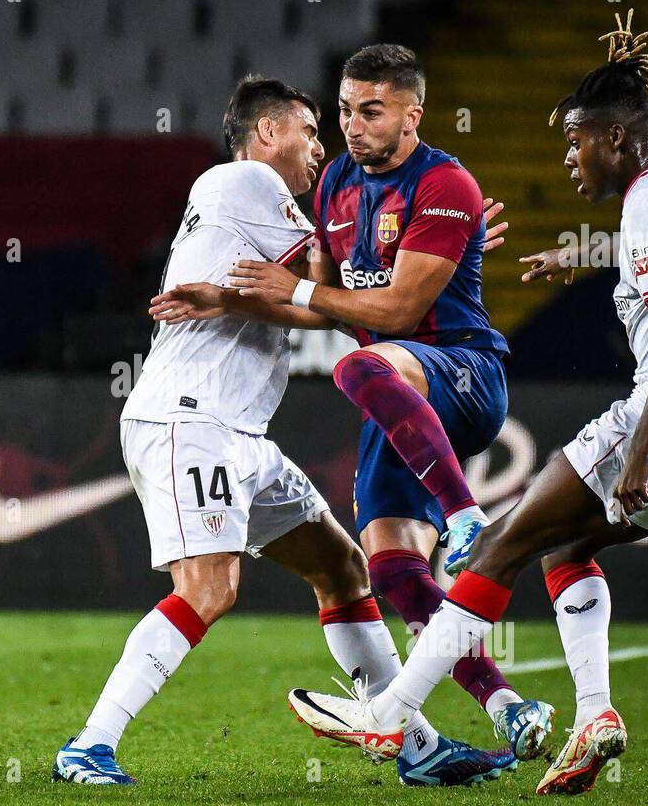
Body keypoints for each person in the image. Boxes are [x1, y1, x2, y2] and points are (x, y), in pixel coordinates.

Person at [291, 12, 648, 796]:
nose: (569, 156)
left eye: (578, 141)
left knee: (495, 550)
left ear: (616, 138)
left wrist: (640, 453)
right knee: (563, 548)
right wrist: (579, 252)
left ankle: (392, 710)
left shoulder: (642, 205)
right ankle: (596, 715)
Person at [53, 76, 518, 787]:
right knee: (210, 588)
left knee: (341, 568)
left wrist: (434, 246)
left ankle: (416, 746)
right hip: (190, 419)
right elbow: (346, 283)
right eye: (310, 130)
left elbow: (332, 294)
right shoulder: (239, 179)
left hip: (238, 434)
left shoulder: (250, 204)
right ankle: (90, 745)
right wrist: (440, 241)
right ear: (267, 133)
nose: (320, 147)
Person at [160, 45, 555, 761]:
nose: (351, 126)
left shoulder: (443, 183)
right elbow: (323, 307)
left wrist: (307, 291)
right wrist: (225, 298)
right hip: (394, 393)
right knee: (393, 572)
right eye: (344, 110)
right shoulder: (338, 181)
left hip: (460, 371)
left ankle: (468, 520)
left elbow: (398, 312)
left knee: (361, 367)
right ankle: (507, 707)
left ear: (413, 114)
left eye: (370, 111)